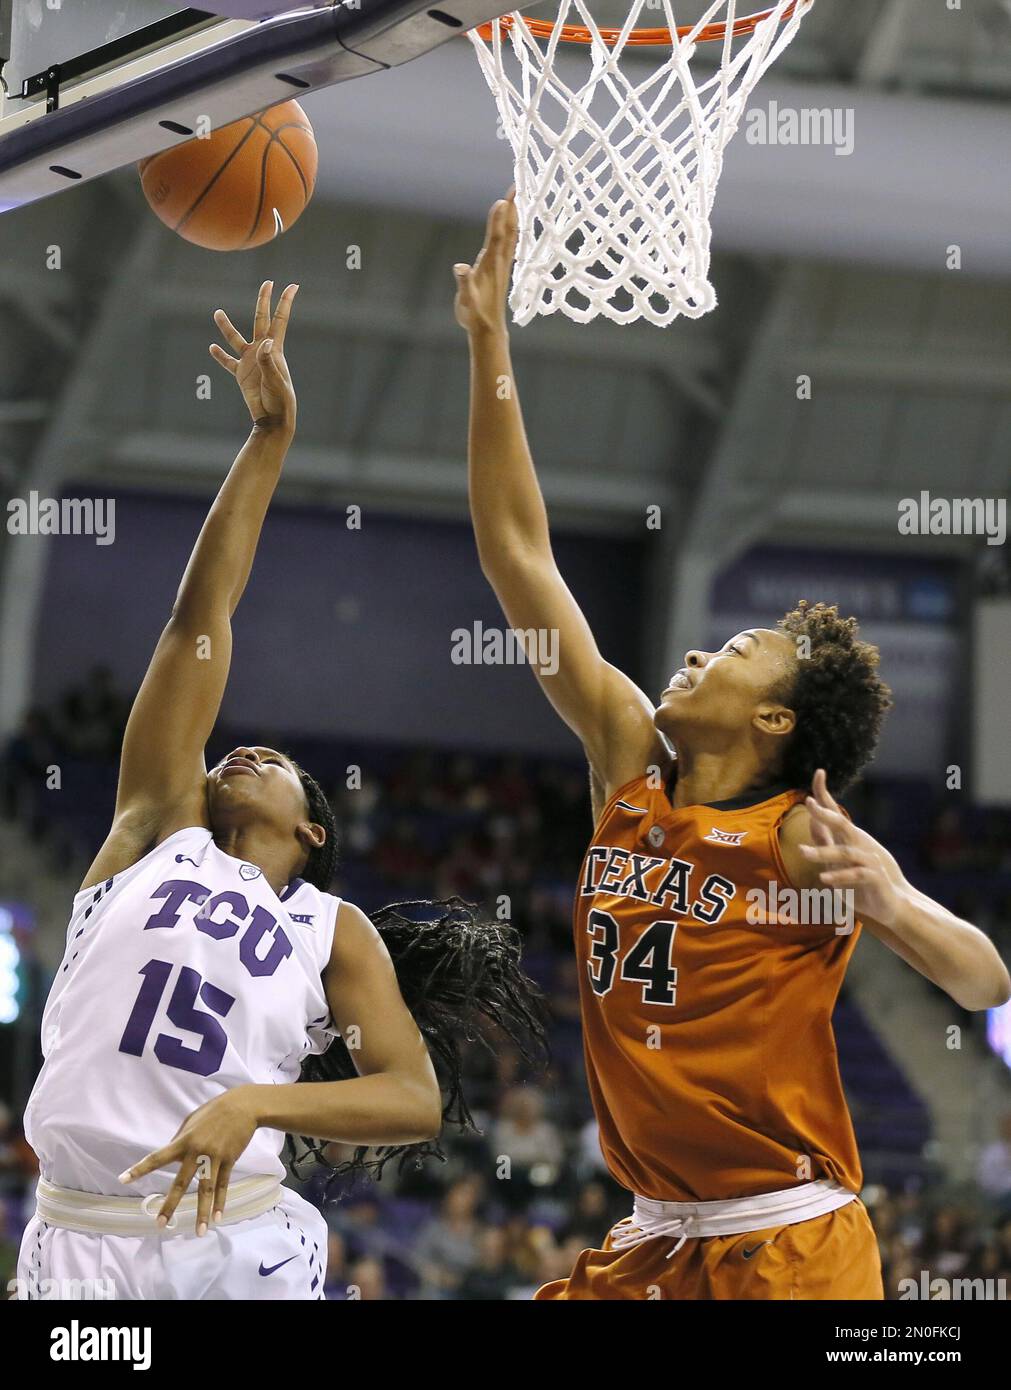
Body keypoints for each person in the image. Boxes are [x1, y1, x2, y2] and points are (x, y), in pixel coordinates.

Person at [453, 195, 1011, 1301]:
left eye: (741, 650)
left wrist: (893, 900)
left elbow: (985, 973)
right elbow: (519, 554)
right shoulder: (624, 761)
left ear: (775, 722)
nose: (701, 650)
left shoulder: (798, 836)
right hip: (656, 1236)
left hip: (789, 1244)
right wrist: (488, 345)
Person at [16, 282, 544, 1302]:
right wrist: (267, 436)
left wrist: (257, 1102)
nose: (242, 747)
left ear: (311, 824)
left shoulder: (330, 926)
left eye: (274, 758)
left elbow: (413, 1097)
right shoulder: (150, 831)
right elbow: (193, 621)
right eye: (233, 748)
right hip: (76, 1231)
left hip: (231, 1238)